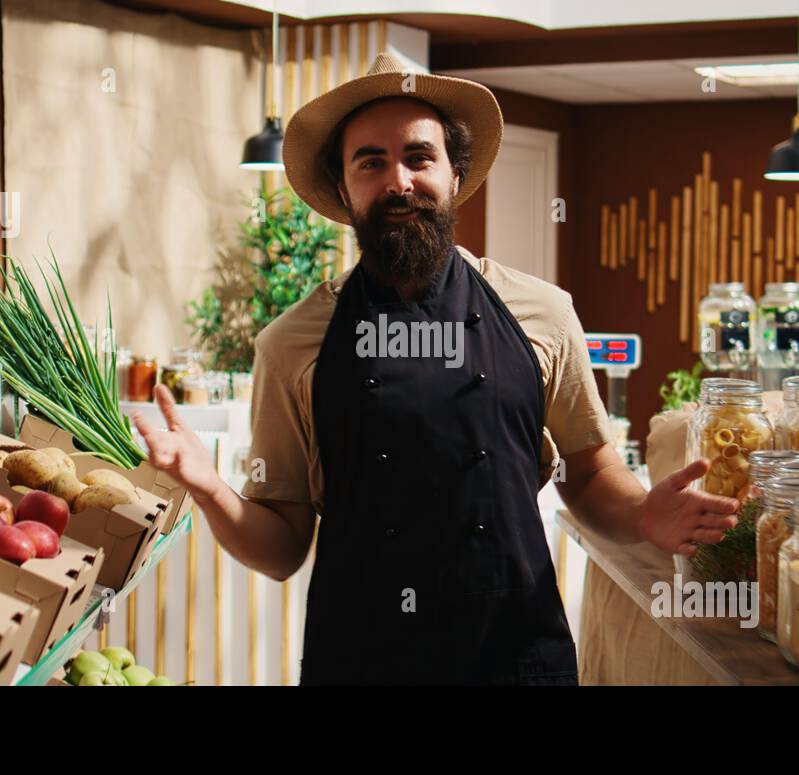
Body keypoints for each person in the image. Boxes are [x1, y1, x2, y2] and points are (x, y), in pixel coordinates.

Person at [133, 52, 737, 685]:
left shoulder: (543, 314)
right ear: (343, 188)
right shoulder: (293, 344)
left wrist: (642, 514)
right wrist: (209, 489)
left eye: (419, 157)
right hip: (362, 659)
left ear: (455, 174)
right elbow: (281, 549)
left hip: (516, 655)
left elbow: (588, 473)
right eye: (371, 161)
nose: (399, 180)